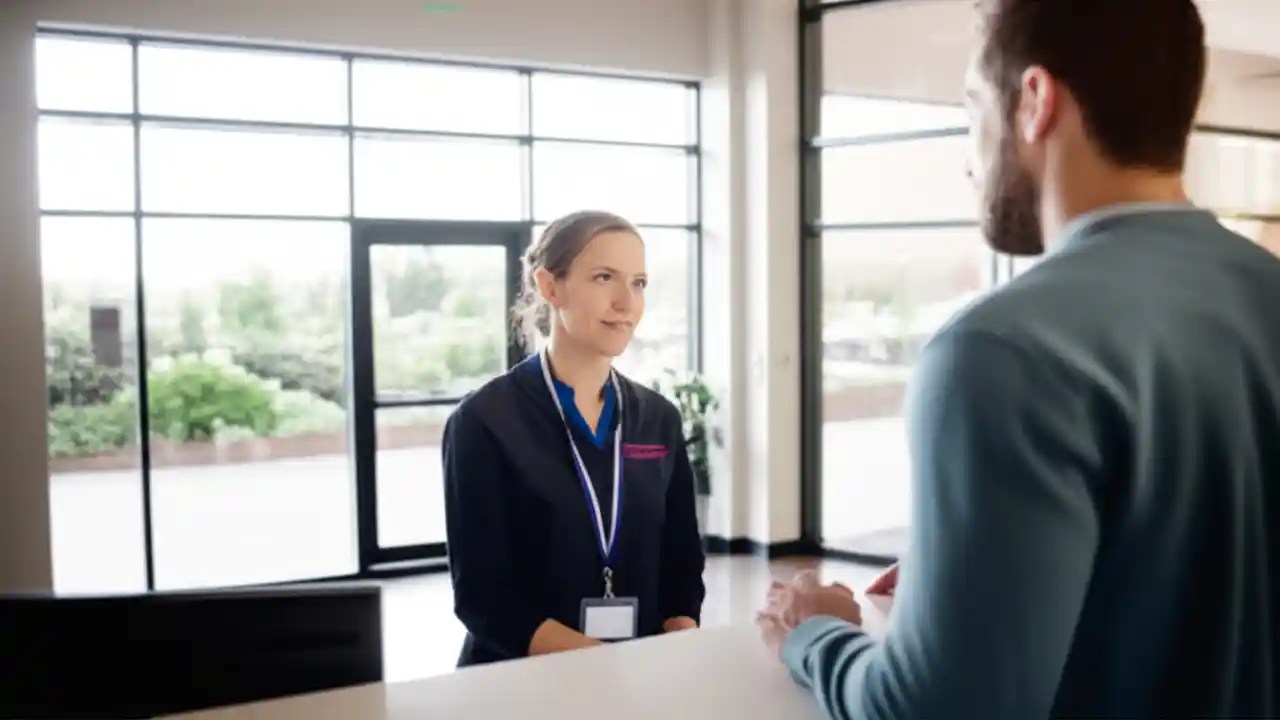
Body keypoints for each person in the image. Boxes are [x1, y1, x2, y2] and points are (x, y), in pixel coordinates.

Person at [759, 0, 1280, 717]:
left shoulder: (1001, 351)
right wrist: (999, 574)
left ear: (1034, 102)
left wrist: (814, 632)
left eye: (974, 106)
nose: (967, 156)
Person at [443, 210, 706, 668]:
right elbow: (483, 598)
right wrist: (600, 666)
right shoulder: (484, 420)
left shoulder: (658, 419)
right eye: (604, 277)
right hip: (517, 685)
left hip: (637, 684)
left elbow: (682, 567)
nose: (627, 302)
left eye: (639, 282)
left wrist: (677, 650)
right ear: (550, 287)